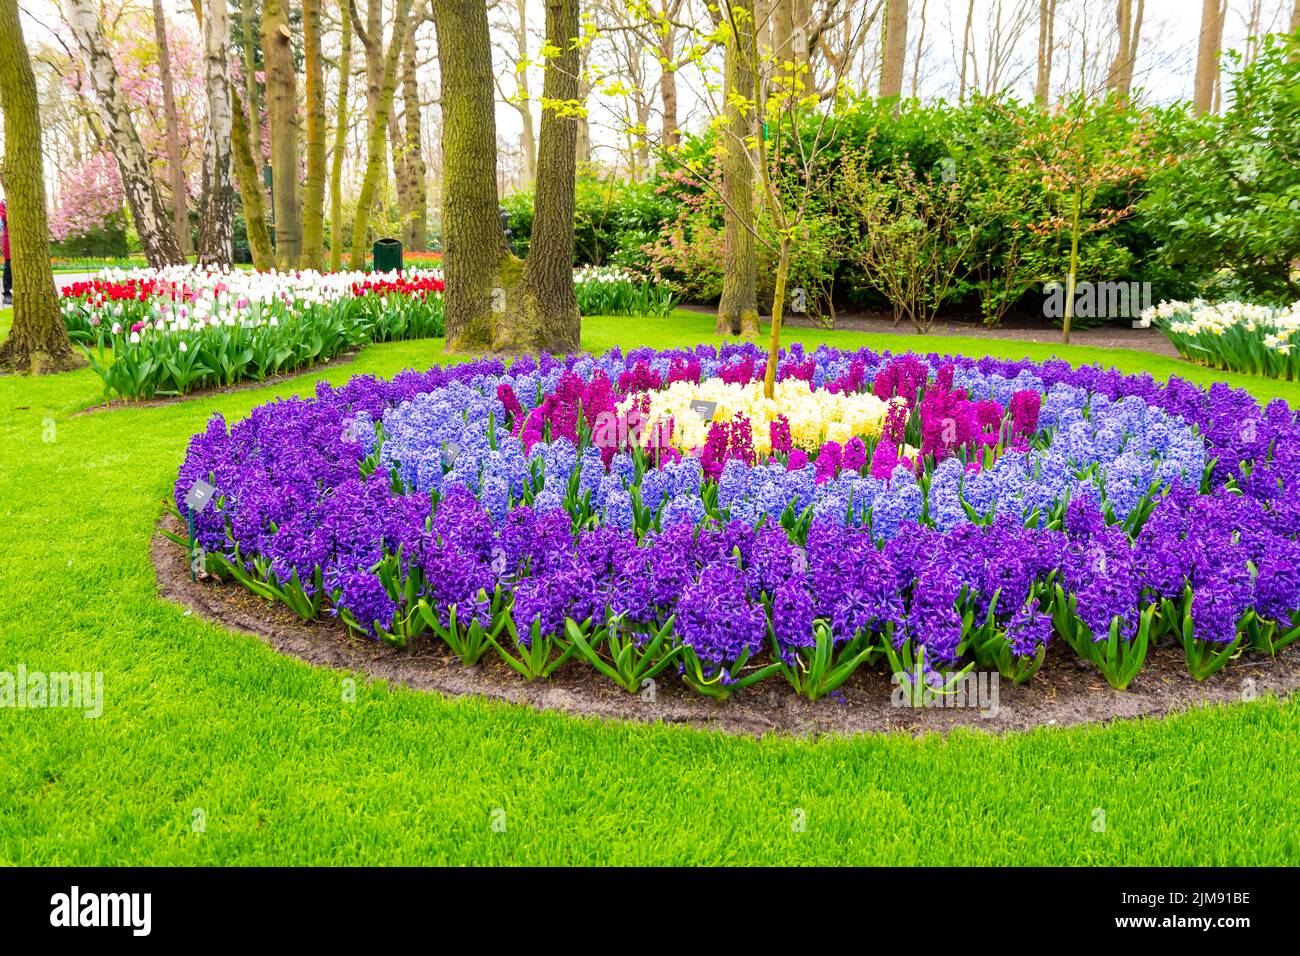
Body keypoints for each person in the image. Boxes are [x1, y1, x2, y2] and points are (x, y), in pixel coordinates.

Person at [1, 196, 11, 306]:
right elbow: (5, 218)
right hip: (9, 240)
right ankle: (7, 294)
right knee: (9, 265)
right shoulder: (2, 204)